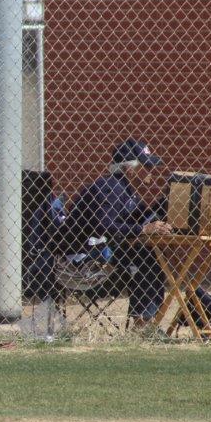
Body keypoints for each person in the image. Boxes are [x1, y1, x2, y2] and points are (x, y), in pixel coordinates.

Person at [66, 138, 172, 329]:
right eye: (146, 166)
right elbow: (106, 224)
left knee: (149, 256)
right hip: (83, 263)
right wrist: (143, 229)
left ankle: (145, 321)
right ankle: (143, 325)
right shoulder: (110, 187)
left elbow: (139, 217)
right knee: (147, 259)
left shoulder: (124, 189)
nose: (151, 172)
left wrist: (166, 204)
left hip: (100, 254)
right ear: (130, 169)